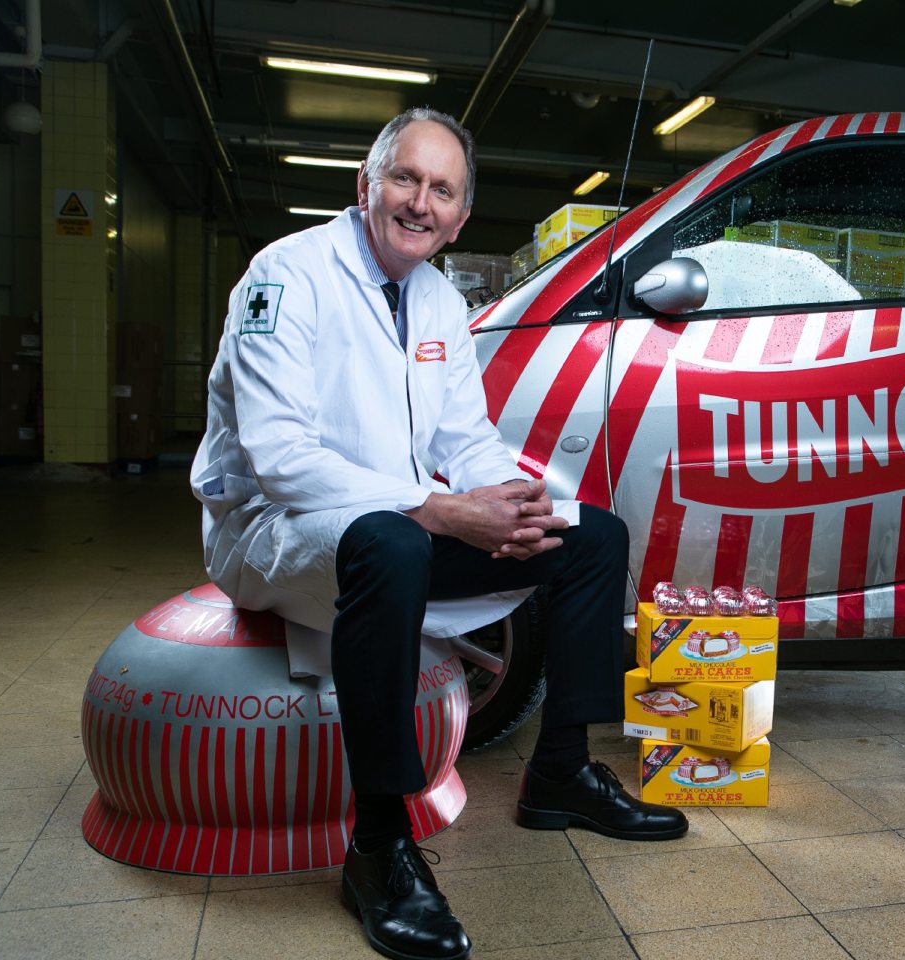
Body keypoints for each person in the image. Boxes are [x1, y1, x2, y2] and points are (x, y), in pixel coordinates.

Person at [190, 107, 686, 960]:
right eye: (405, 179)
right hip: (273, 531)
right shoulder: (285, 275)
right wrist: (440, 508)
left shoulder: (437, 300)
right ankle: (379, 844)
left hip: (399, 527)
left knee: (593, 538)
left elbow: (465, 438)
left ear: (460, 215)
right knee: (395, 540)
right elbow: (278, 458)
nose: (421, 203)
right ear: (367, 186)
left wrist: (515, 501)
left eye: (442, 190)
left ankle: (561, 773)